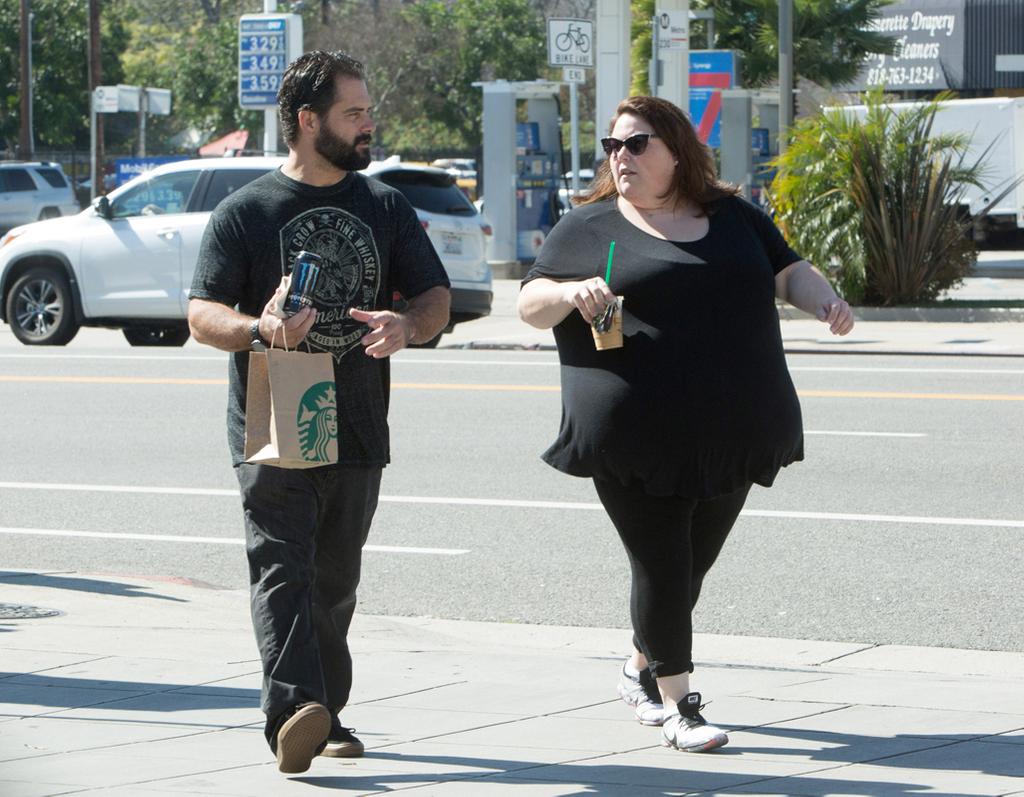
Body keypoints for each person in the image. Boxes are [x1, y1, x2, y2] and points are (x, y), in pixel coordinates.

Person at [517, 96, 853, 753]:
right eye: (613, 146)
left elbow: (788, 270)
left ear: (676, 150)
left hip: (733, 430)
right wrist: (567, 292)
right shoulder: (587, 227)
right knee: (664, 566)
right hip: (633, 436)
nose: (622, 157)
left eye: (637, 144)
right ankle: (683, 706)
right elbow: (531, 303)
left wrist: (826, 302)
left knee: (690, 567)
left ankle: (638, 668)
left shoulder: (731, 217)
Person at [187, 50, 450, 774]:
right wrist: (259, 329)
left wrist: (408, 326)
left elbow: (434, 297)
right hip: (276, 416)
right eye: (354, 112)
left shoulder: (385, 206)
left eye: (368, 110)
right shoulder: (247, 213)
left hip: (360, 418)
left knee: (335, 579)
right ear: (309, 121)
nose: (370, 124)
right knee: (283, 567)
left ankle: (323, 711)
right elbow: (200, 314)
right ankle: (294, 712)